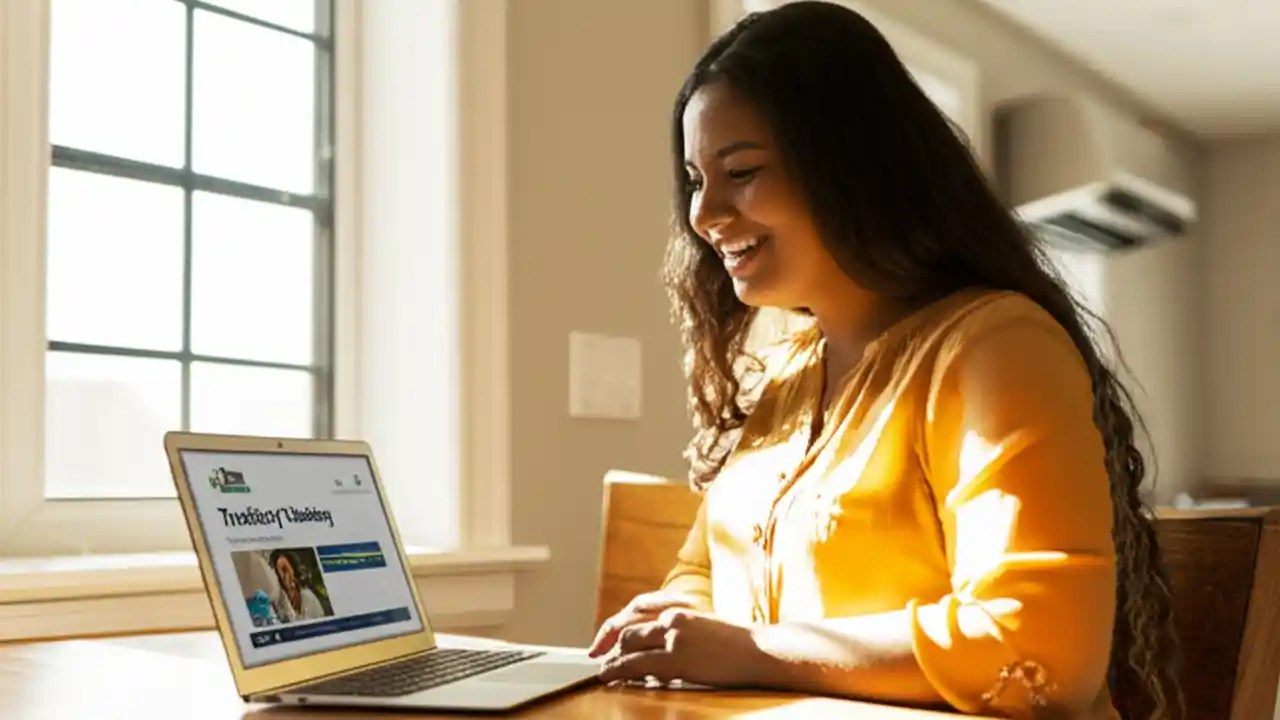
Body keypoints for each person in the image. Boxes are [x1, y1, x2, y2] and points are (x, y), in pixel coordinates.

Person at [587, 3, 1180, 719]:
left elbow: (1039, 655)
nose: (703, 214)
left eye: (740, 170)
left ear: (851, 166)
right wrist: (675, 626)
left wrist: (747, 648)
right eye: (694, 179)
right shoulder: (788, 373)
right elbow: (703, 572)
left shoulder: (995, 348)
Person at [270, 550, 327, 623]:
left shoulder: (308, 597)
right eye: (278, 572)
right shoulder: (277, 603)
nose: (283, 576)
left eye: (285, 569)